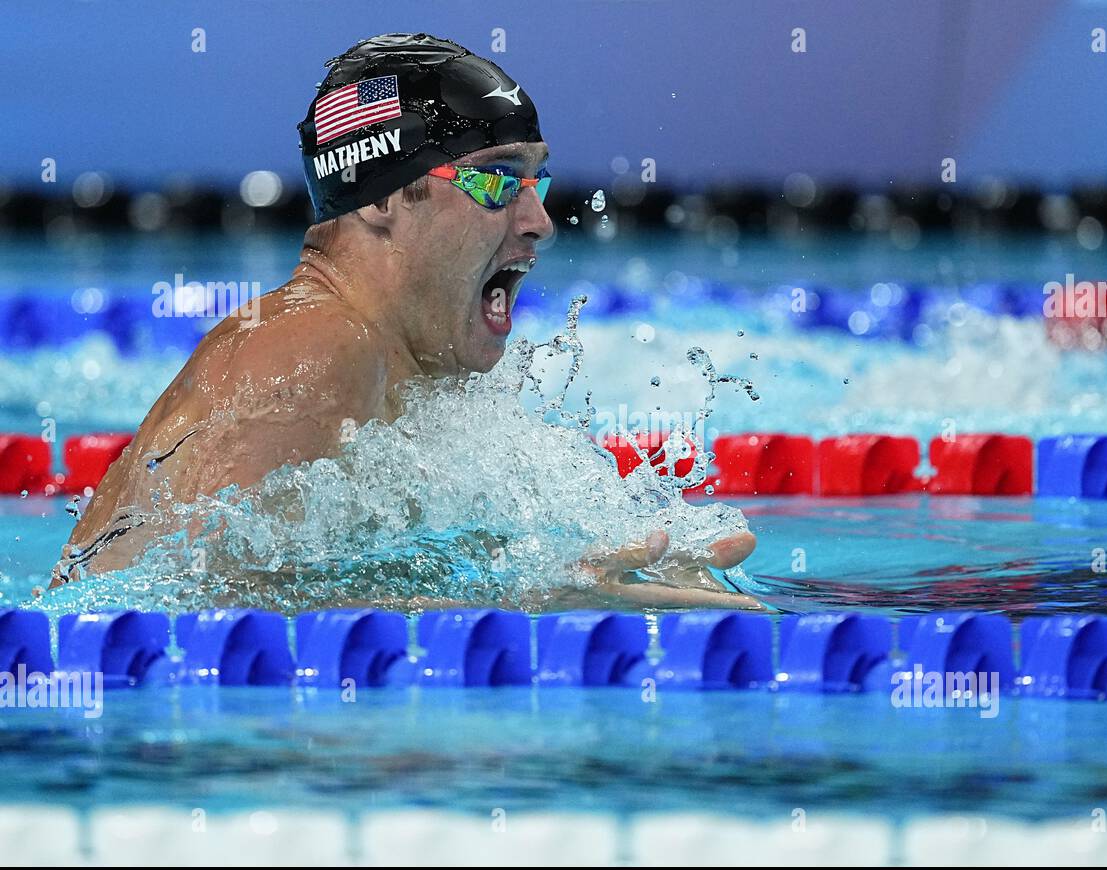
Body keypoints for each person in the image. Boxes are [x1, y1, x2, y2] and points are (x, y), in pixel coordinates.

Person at [51, 32, 758, 609]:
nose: (539, 221)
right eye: (497, 181)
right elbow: (194, 601)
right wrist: (537, 598)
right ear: (381, 197)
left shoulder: (407, 362)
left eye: (536, 181)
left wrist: (596, 569)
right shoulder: (314, 347)